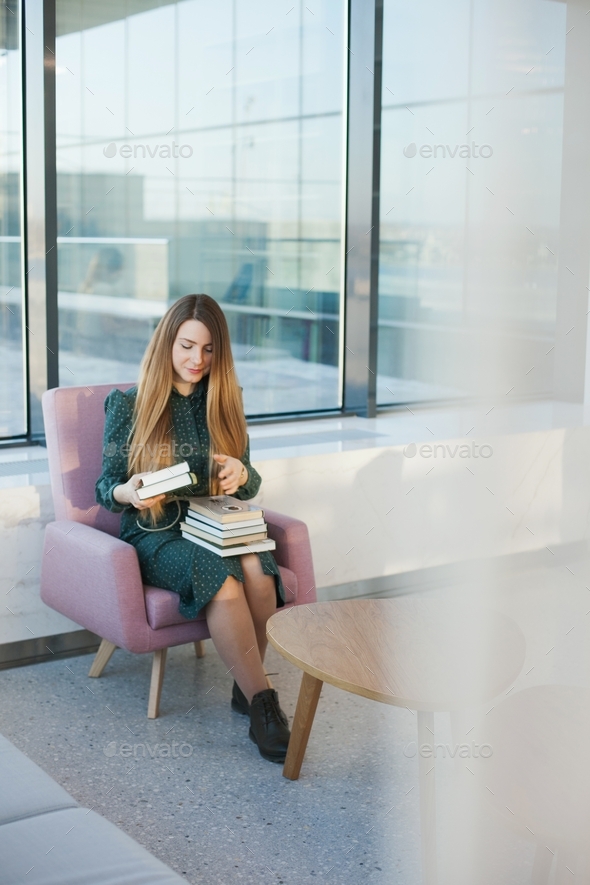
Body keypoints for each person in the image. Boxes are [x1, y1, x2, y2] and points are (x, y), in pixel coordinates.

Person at [95, 294, 290, 763]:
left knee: (259, 568)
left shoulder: (224, 401)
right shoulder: (129, 405)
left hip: (212, 523)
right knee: (221, 575)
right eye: (186, 346)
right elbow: (105, 487)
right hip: (154, 532)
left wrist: (242, 475)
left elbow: (248, 479)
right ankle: (265, 705)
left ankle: (247, 689)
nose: (196, 360)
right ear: (167, 342)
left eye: (208, 350)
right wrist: (131, 490)